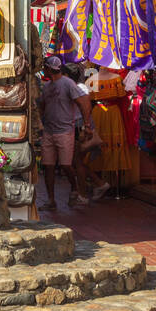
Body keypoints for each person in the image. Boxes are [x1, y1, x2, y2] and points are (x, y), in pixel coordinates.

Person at [37, 55, 96, 211]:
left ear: (49, 69)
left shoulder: (68, 83)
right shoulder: (47, 86)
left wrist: (87, 124)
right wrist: (40, 122)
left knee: (66, 165)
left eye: (45, 68)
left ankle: (75, 188)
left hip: (65, 131)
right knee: (48, 166)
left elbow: (83, 102)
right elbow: (42, 104)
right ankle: (51, 200)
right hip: (49, 131)